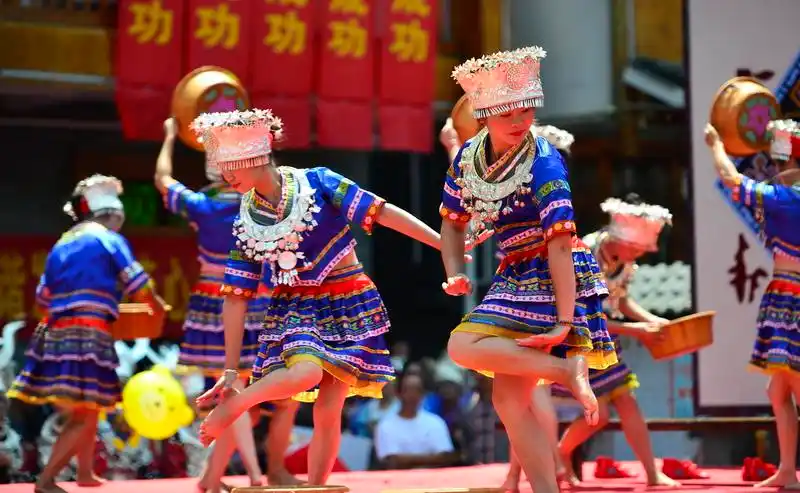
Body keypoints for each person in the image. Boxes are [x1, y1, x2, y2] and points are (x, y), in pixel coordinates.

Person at [192, 108, 472, 485]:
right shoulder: (247, 217)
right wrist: (229, 372)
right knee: (305, 371)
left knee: (329, 408)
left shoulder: (317, 182)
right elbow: (237, 295)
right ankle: (237, 403)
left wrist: (441, 244)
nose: (227, 178)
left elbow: (381, 212)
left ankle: (316, 487)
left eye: (231, 168)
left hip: (347, 298)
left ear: (255, 157)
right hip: (295, 304)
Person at [439, 46, 617, 493]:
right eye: (507, 114)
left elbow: (559, 245)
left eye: (526, 110)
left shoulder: (543, 160)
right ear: (483, 115)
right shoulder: (467, 159)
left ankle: (564, 371)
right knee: (507, 400)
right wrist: (454, 270)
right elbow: (451, 220)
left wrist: (564, 319)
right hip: (513, 272)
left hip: (552, 269)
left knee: (461, 345)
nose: (520, 121)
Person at [154, 117, 299, 491]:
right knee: (250, 398)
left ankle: (219, 476)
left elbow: (163, 181)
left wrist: (170, 138)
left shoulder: (202, 205)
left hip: (213, 299)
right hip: (262, 297)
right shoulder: (265, 201)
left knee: (232, 396)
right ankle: (237, 475)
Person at [7, 175, 168, 493]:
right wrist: (158, 307)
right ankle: (46, 480)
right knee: (83, 413)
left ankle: (84, 471)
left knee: (90, 406)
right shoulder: (107, 239)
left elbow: (42, 298)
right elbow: (138, 284)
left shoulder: (62, 242)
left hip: (54, 333)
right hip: (87, 332)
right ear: (111, 214)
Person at [705, 119, 800, 489]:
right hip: (786, 293)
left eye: (779, 161)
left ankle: (789, 470)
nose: (774, 169)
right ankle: (788, 470)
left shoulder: (788, 197)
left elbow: (733, 182)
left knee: (791, 384)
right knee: (778, 389)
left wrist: (715, 144)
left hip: (791, 295)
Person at [374, 372, 459, 469]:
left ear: (423, 394)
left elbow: (445, 458)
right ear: (399, 394)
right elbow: (392, 462)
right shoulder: (385, 426)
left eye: (417, 390)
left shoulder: (436, 422)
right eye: (408, 390)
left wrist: (406, 460)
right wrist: (431, 459)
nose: (412, 395)